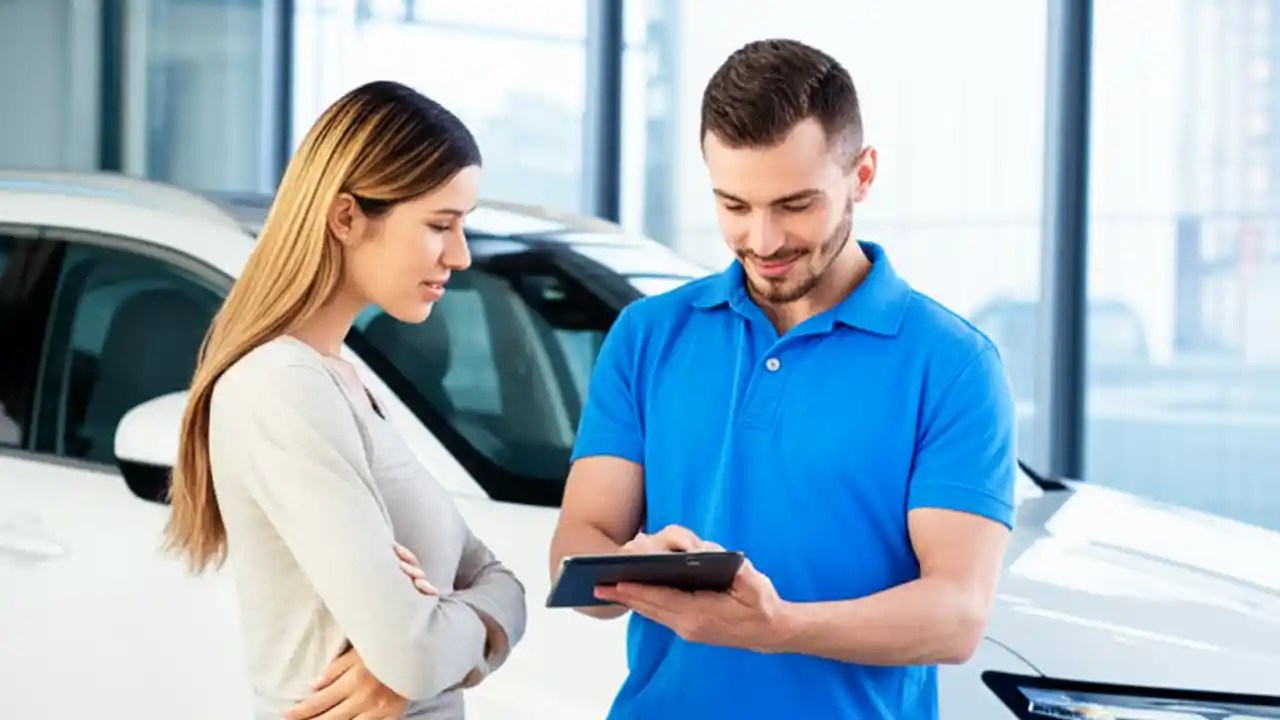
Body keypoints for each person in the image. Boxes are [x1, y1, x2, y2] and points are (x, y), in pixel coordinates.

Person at [549, 38, 1016, 719]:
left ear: (862, 175)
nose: (763, 241)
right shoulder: (648, 336)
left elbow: (956, 616)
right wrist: (630, 565)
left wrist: (780, 628)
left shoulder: (952, 364)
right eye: (734, 206)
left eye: (795, 205)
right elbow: (574, 554)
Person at [164, 80, 526, 720]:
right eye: (440, 224)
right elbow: (412, 655)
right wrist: (453, 630)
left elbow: (505, 583)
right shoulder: (280, 386)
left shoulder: (344, 380)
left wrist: (442, 624)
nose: (461, 255)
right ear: (346, 217)